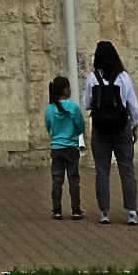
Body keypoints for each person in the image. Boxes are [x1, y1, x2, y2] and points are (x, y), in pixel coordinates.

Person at [81, 40, 138, 225]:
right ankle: (131, 211)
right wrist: (135, 125)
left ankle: (104, 212)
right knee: (127, 169)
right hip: (121, 125)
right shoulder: (123, 77)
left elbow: (87, 103)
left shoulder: (93, 78)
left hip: (100, 128)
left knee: (102, 170)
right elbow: (133, 105)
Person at [44, 74, 86, 218]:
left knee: (57, 179)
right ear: (66, 90)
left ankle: (56, 209)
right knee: (74, 179)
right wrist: (74, 133)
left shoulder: (50, 108)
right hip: (71, 147)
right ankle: (75, 209)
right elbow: (80, 126)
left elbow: (48, 126)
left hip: (56, 147)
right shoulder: (73, 107)